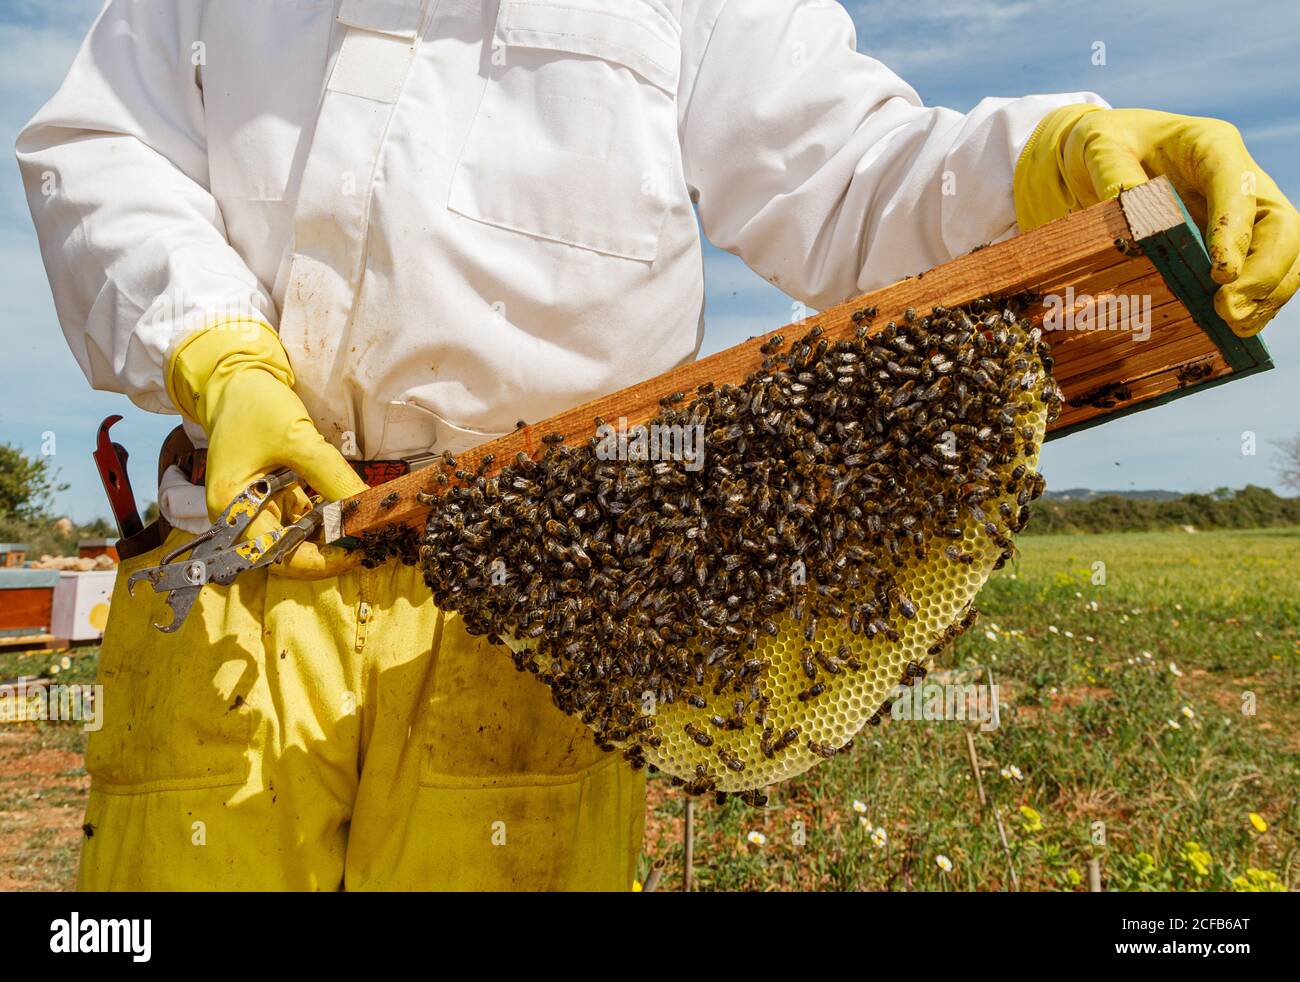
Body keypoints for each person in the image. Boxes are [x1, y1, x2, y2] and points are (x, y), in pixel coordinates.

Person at [17, 0, 1297, 891]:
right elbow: (103, 143)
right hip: (240, 558)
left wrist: (1051, 161)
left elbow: (848, 171)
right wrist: (218, 351)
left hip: (539, 609)